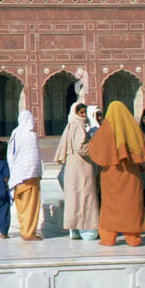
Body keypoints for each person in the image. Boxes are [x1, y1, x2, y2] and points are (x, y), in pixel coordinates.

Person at [88, 100, 145, 247]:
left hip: (111, 173)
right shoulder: (132, 128)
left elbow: (92, 149)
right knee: (131, 205)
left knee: (110, 206)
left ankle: (108, 238)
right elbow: (142, 149)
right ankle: (133, 238)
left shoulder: (105, 130)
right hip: (131, 173)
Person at [55, 102, 100, 240]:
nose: (84, 115)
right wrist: (94, 145)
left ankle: (74, 229)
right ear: (76, 113)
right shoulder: (79, 125)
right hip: (81, 167)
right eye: (81, 113)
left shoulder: (70, 125)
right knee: (85, 196)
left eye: (85, 113)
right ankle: (87, 230)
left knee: (74, 198)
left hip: (72, 167)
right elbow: (81, 148)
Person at [6, 109, 43, 240]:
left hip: (17, 175)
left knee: (21, 205)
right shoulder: (30, 135)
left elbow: (10, 154)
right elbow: (34, 157)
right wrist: (37, 173)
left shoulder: (15, 133)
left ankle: (24, 230)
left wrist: (13, 171)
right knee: (31, 205)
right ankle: (29, 233)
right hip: (29, 175)